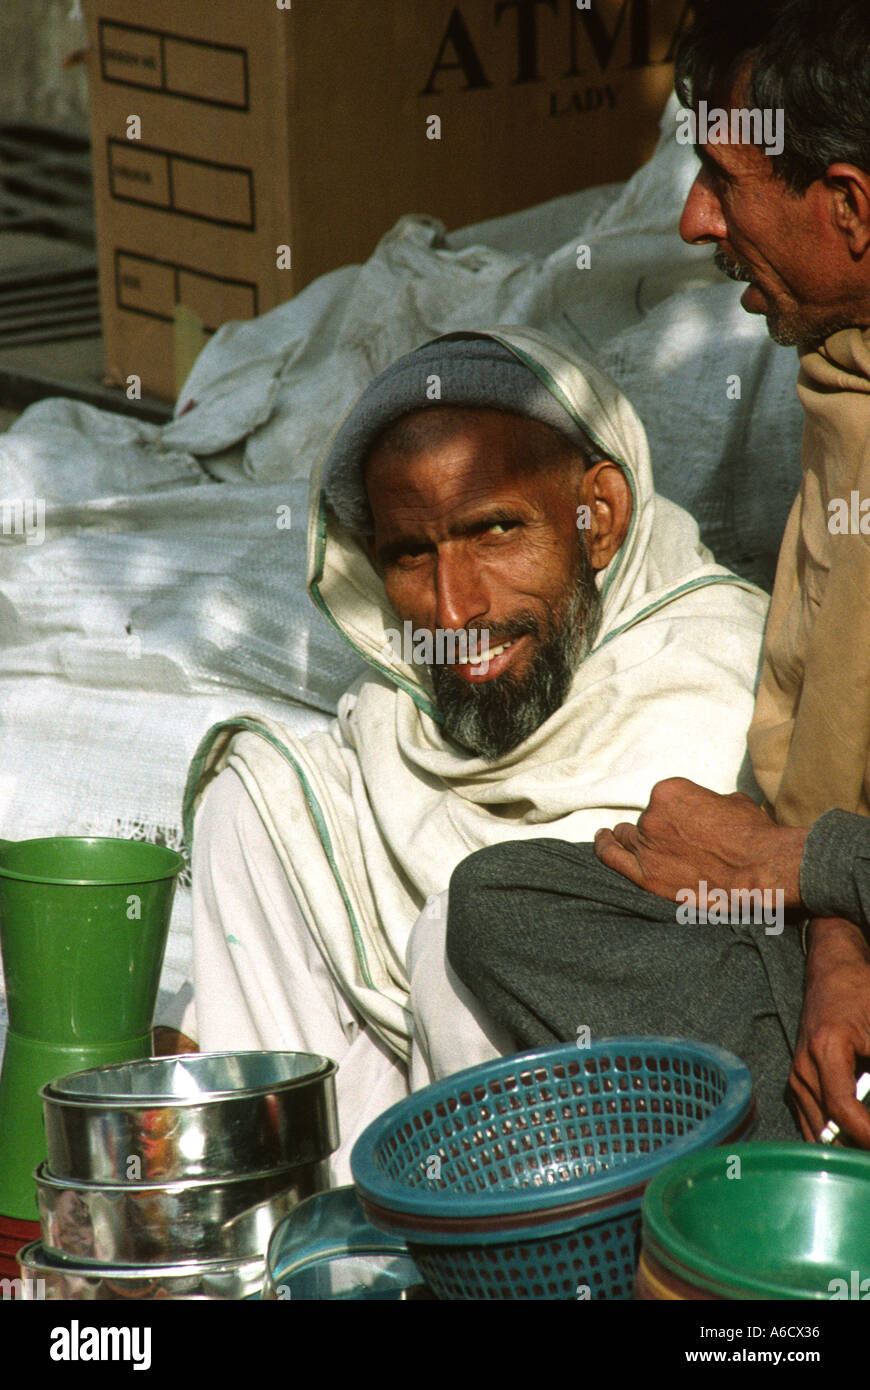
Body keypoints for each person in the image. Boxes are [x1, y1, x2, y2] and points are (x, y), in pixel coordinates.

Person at [183, 327, 769, 1179]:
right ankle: (322, 1246)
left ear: (598, 519)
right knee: (252, 800)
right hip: (398, 1127)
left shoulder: (716, 674)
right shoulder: (396, 716)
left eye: (495, 531)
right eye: (411, 554)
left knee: (470, 921)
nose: (453, 611)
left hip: (627, 1148)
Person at [446, 0, 870, 1149]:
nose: (693, 220)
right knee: (503, 908)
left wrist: (790, 860)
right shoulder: (846, 389)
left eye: (724, 182)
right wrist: (835, 934)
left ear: (849, 208)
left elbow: (824, 830)